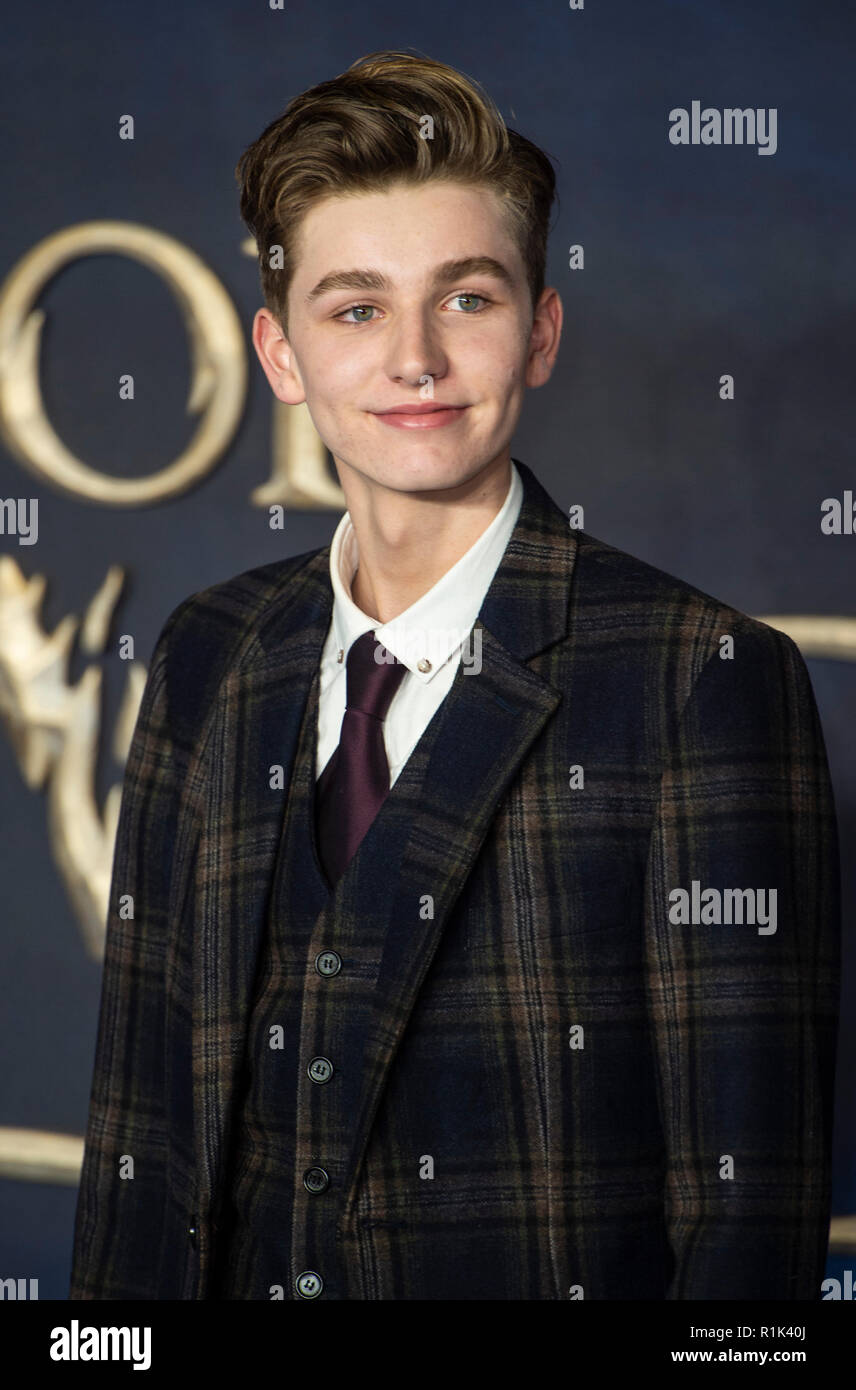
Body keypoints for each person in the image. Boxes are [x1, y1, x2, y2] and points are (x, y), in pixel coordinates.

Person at [69, 49, 840, 1301]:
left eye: (466, 298)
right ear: (279, 353)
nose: (416, 359)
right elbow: (135, 1142)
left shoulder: (698, 678)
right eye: (357, 307)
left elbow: (745, 1222)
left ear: (540, 331)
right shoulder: (207, 651)